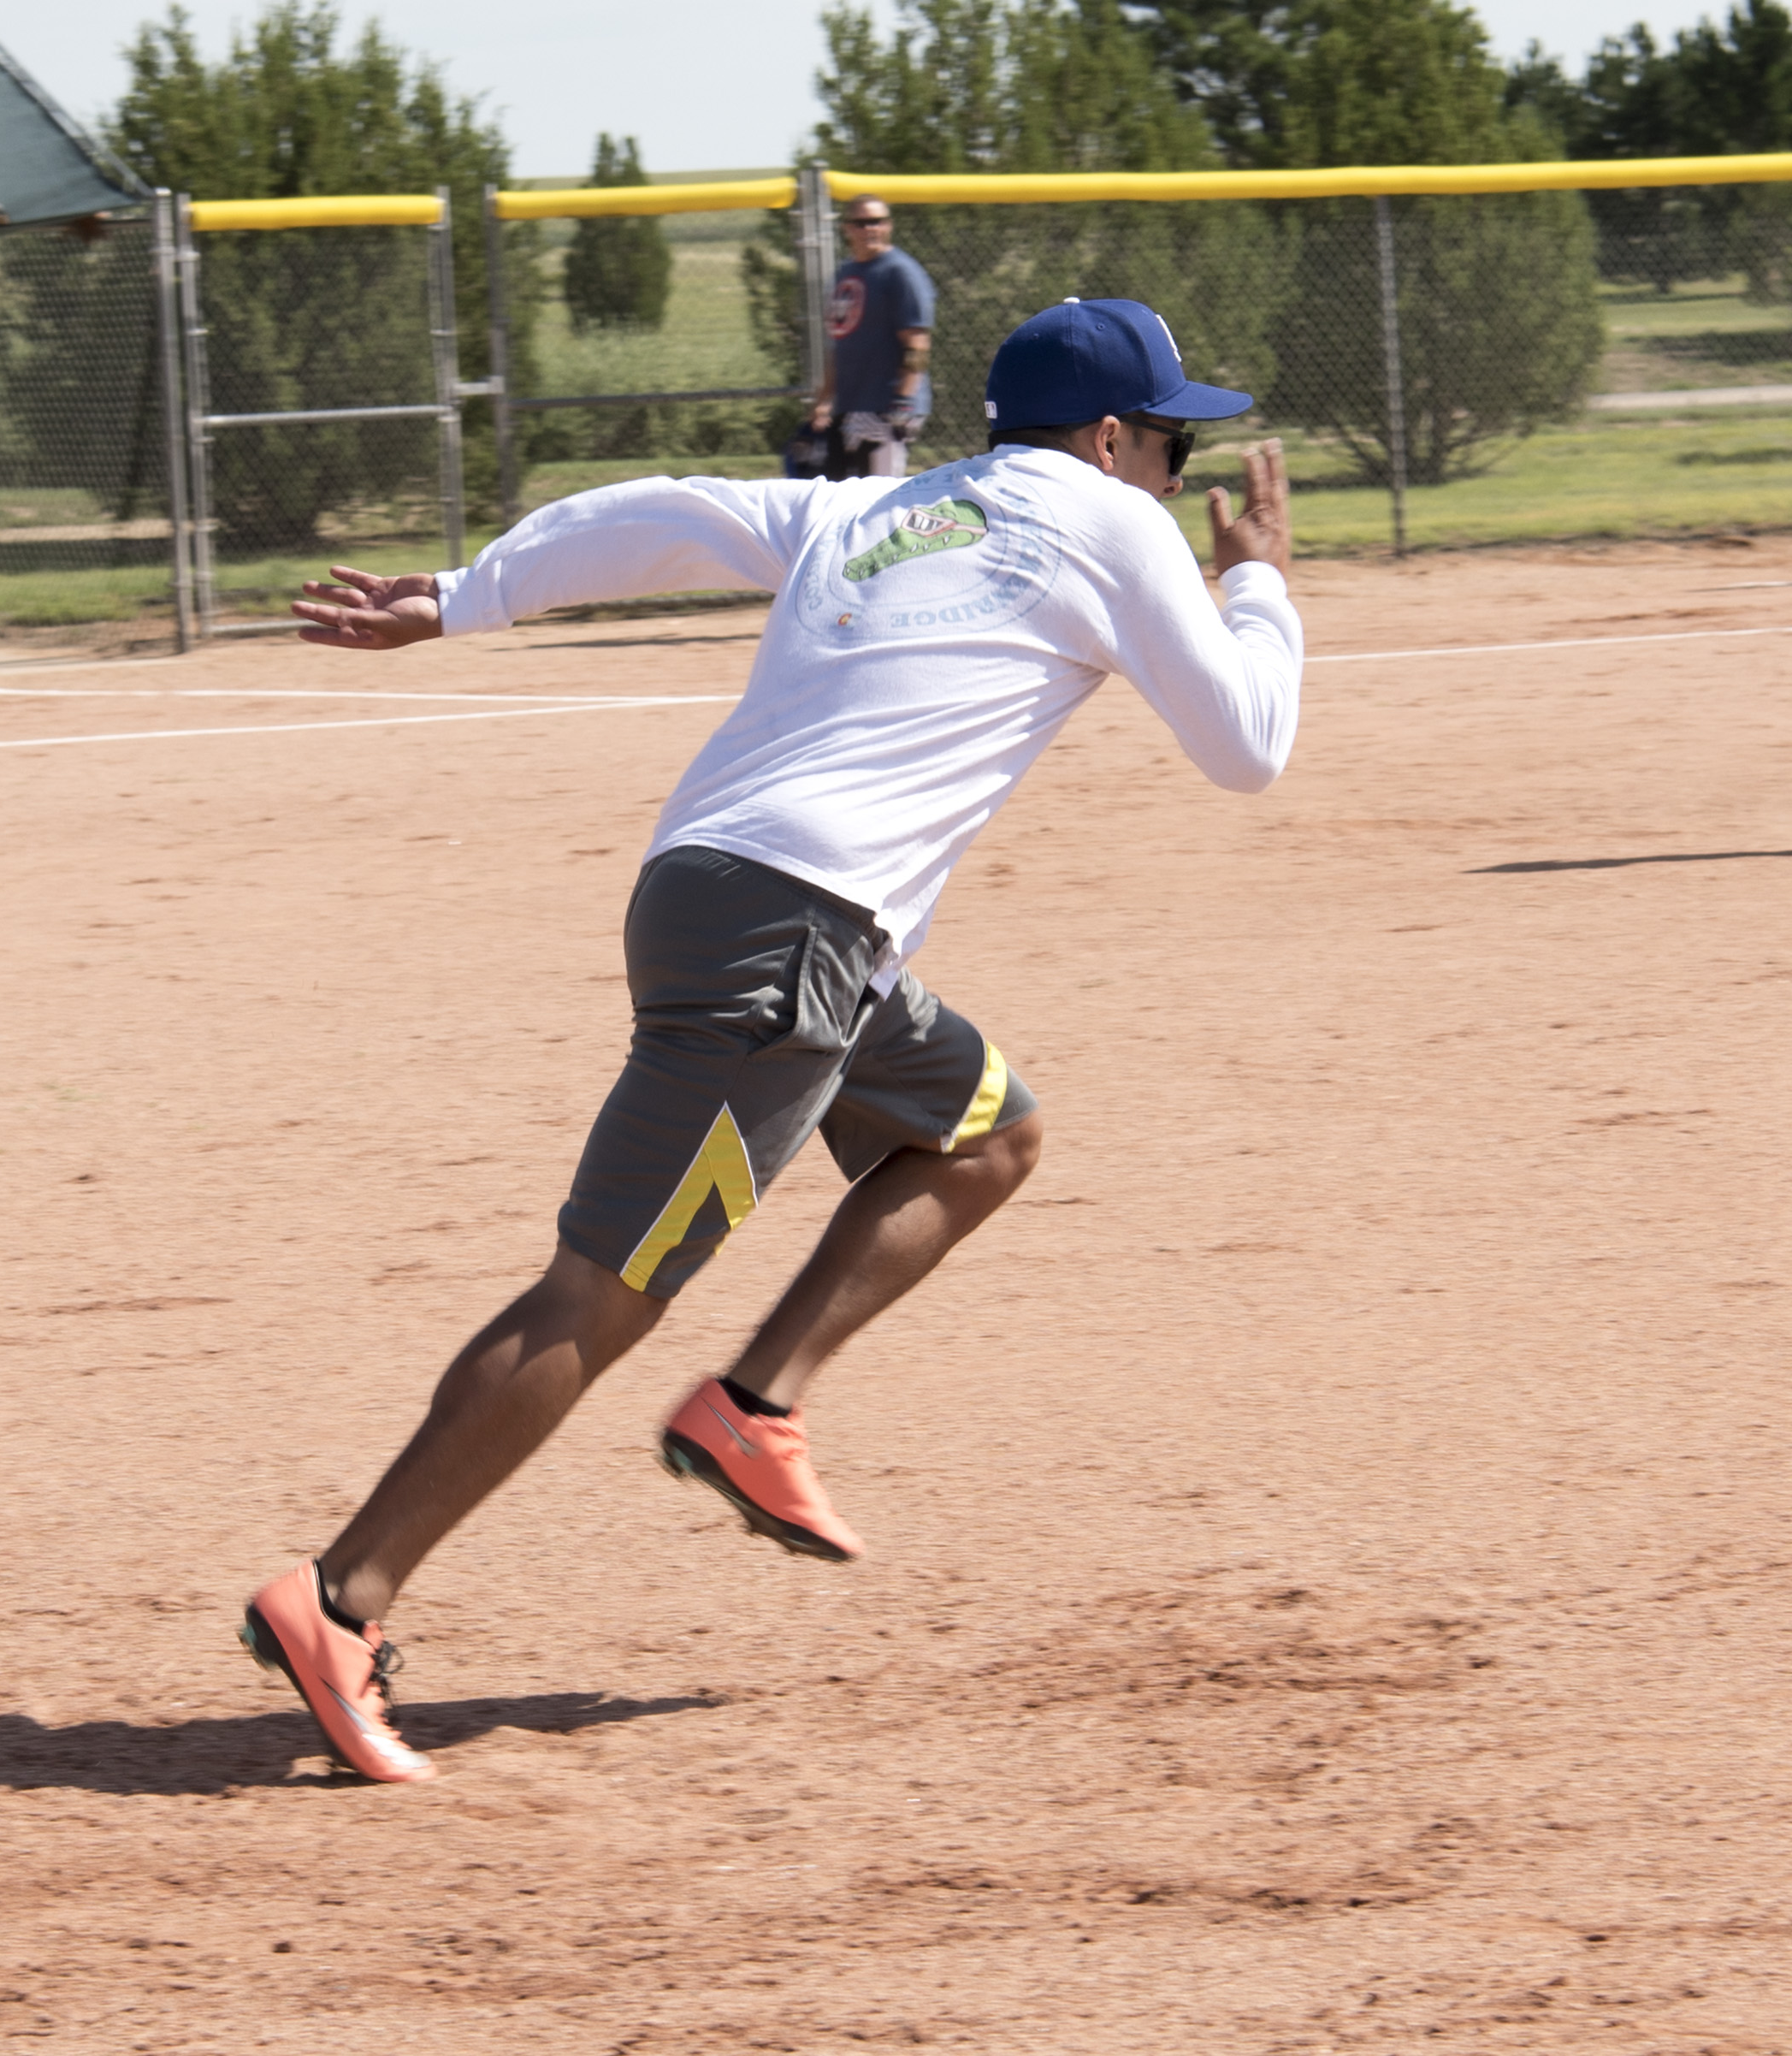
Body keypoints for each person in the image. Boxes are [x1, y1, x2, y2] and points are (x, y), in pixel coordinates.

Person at [251, 299, 1302, 1783]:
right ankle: (342, 1597)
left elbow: (668, 518)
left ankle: (753, 1407)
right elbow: (1248, 745)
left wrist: (468, 591)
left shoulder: (885, 508)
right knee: (600, 1292)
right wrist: (1258, 588)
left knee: (985, 1130)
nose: (1176, 474)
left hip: (729, 895)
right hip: (790, 939)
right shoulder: (1108, 518)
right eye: (1174, 442)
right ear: (1115, 439)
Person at [804, 196, 936, 482]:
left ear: (888, 225)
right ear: (847, 228)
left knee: (878, 495)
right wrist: (824, 399)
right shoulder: (846, 272)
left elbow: (917, 343)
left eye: (877, 221)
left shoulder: (899, 271)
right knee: (838, 492)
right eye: (861, 223)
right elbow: (838, 344)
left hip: (886, 406)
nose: (870, 229)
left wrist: (903, 401)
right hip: (851, 405)